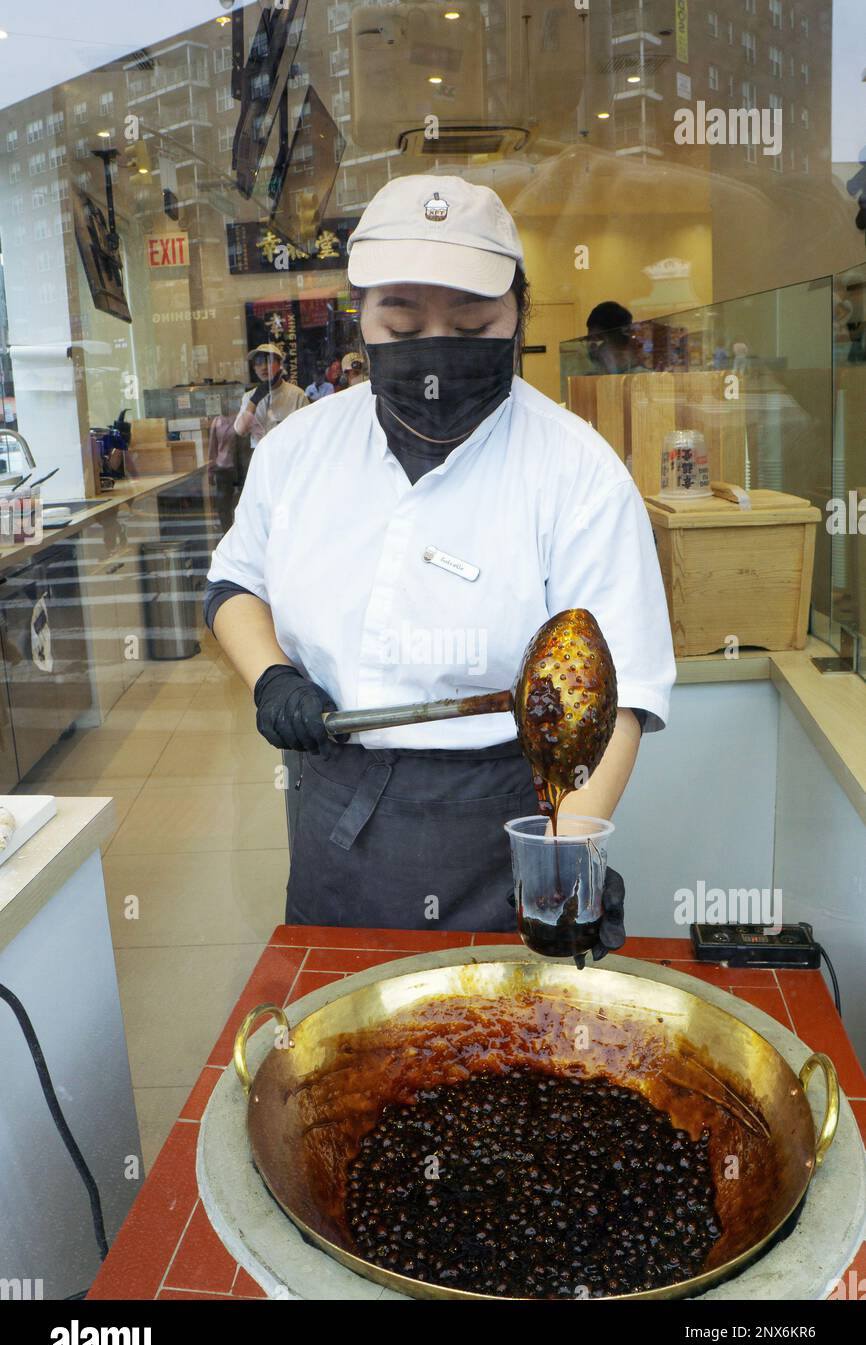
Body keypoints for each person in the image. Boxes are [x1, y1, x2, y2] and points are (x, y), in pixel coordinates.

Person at [204, 174, 676, 948]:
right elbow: (235, 582)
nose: (436, 347)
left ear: (518, 314)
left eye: (470, 324)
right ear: (358, 317)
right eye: (402, 319)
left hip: (509, 813)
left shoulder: (577, 471)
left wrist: (566, 858)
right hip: (337, 804)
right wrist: (272, 677)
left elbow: (616, 695)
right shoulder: (299, 450)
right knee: (343, 1032)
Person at [234, 343, 308, 446]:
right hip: (260, 455)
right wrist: (254, 401)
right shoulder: (249, 396)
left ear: (280, 365)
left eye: (269, 361)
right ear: (254, 369)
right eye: (259, 363)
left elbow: (307, 431)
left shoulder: (297, 395)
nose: (264, 367)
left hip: (289, 453)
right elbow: (240, 431)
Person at [585, 301, 647, 374]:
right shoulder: (591, 376)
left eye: (596, 339)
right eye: (589, 339)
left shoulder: (640, 375)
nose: (592, 347)